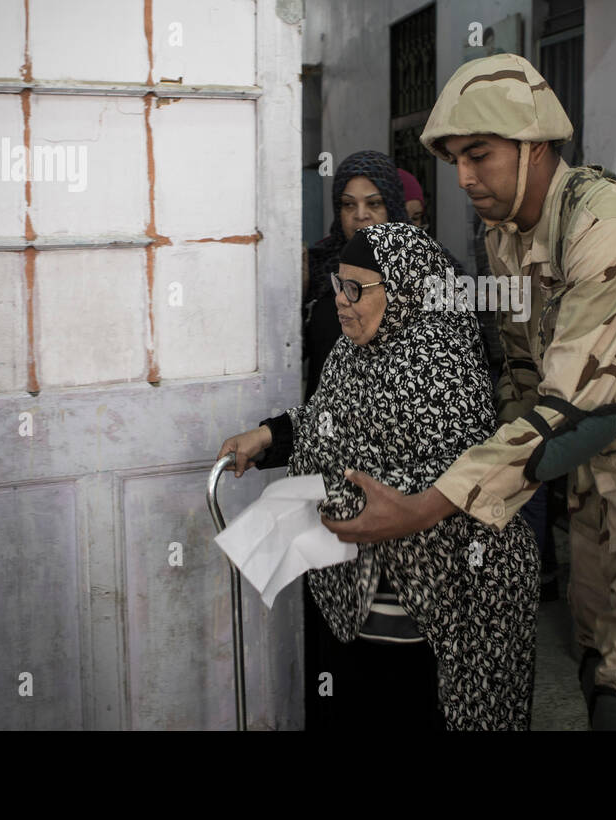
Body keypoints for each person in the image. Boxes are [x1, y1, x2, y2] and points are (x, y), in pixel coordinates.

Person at [323, 54, 616, 731]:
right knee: (595, 661)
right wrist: (469, 481)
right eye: (455, 159)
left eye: (479, 156)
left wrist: (429, 506)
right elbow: (523, 372)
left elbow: (568, 406)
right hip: (600, 466)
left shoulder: (609, 232)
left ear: (535, 147)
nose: (462, 178)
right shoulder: (507, 233)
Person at [219, 223, 539, 730]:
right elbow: (331, 422)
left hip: (438, 610)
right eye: (337, 286)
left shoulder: (442, 362)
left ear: (407, 286)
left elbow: (441, 483)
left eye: (357, 289)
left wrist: (326, 489)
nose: (342, 302)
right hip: (365, 595)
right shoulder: (352, 352)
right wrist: (269, 437)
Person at [303, 151, 408, 400]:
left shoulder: (424, 268)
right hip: (322, 424)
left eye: (374, 203)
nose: (360, 214)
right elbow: (293, 353)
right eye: (348, 204)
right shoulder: (319, 267)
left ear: (391, 206)